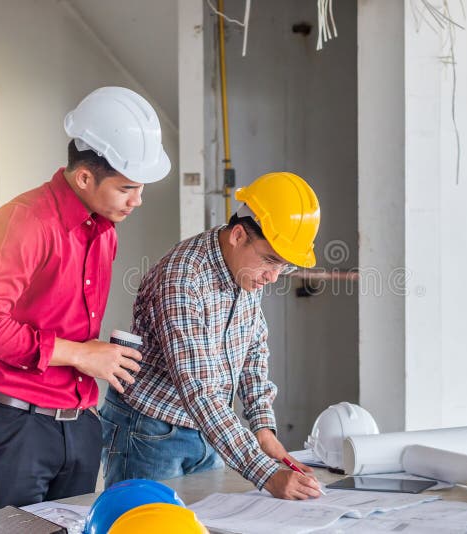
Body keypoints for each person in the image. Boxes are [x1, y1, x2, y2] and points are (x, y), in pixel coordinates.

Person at [0, 87, 170, 516]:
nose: (138, 200)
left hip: (79, 423)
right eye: (127, 188)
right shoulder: (24, 222)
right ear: (86, 177)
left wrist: (94, 356)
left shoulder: (103, 229)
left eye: (141, 187)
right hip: (14, 425)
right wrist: (79, 354)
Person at [100, 172, 324, 500]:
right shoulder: (182, 279)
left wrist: (263, 429)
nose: (273, 277)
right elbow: (200, 392)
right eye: (270, 261)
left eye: (284, 266)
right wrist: (266, 474)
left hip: (209, 430)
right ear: (237, 235)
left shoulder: (247, 271)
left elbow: (252, 349)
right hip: (150, 433)